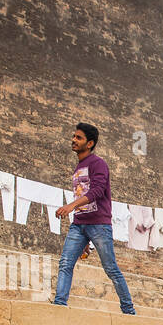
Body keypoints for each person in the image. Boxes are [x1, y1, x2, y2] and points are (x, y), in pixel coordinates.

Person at [51, 123, 137, 314]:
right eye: (74, 136)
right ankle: (59, 304)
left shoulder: (98, 164)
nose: (73, 140)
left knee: (110, 268)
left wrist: (71, 206)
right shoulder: (79, 167)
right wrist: (82, 235)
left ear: (90, 143)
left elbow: (97, 191)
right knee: (65, 263)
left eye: (78, 138)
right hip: (79, 224)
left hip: (99, 224)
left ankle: (129, 310)